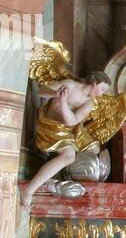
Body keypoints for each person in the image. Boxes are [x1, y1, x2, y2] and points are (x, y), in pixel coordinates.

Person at [20, 71, 111, 208]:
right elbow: (41, 92)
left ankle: (31, 189)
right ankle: (29, 190)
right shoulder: (70, 85)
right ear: (95, 83)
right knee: (68, 156)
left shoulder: (89, 103)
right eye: (102, 89)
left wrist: (62, 102)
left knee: (71, 156)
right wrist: (55, 93)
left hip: (65, 131)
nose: (101, 94)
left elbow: (72, 121)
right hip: (49, 126)